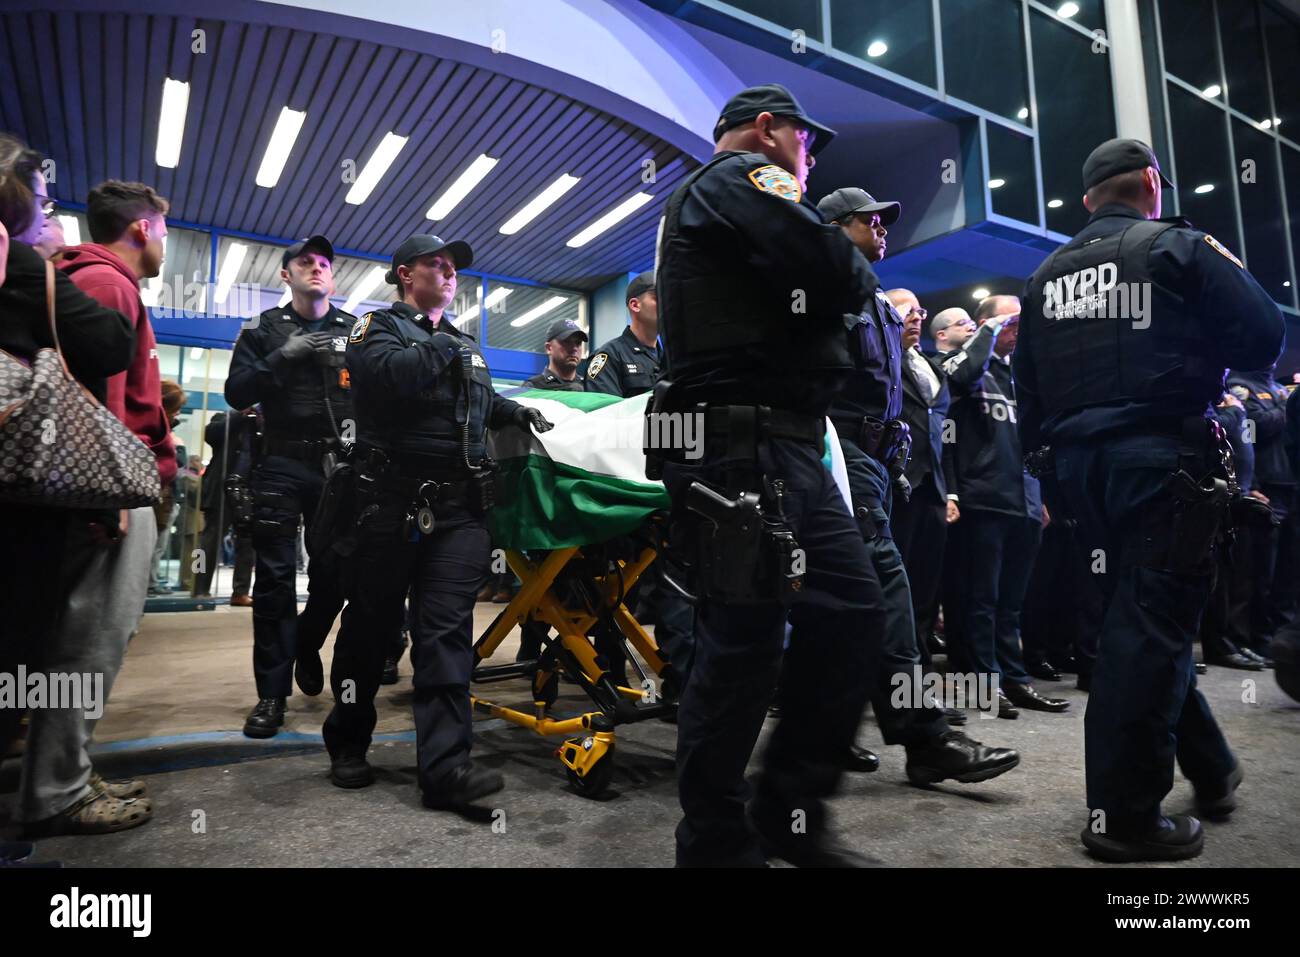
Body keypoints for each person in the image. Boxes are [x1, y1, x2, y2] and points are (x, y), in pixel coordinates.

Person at [1014, 137, 1285, 861]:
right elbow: (1264, 333)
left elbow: (1028, 391)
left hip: (1078, 476)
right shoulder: (1178, 246)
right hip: (1163, 463)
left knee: (1136, 621)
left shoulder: (1045, 274)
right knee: (1152, 629)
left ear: (1087, 201)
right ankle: (1125, 818)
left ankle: (1212, 765)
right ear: (1152, 184)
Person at [654, 83, 891, 867]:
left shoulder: (727, 199)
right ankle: (716, 845)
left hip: (779, 444)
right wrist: (845, 274)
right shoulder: (737, 180)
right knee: (744, 643)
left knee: (854, 612)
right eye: (806, 142)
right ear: (767, 130)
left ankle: (788, 809)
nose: (810, 158)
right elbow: (836, 268)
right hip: (742, 447)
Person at [321, 234, 552, 807]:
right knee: (371, 629)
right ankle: (348, 742)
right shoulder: (375, 329)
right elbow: (392, 378)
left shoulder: (464, 344)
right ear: (405, 274)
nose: (449, 275)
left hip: (459, 509)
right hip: (388, 503)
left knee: (446, 633)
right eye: (437, 265)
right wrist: (442, 339)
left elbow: (478, 403)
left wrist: (514, 409)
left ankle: (446, 771)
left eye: (453, 269)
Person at [817, 186, 1018, 782]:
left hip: (877, 464)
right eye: (870, 219)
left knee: (861, 605)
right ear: (837, 226)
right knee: (886, 598)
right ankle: (922, 738)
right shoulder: (822, 290)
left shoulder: (869, 296)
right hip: (838, 457)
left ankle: (840, 732)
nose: (883, 227)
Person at [17, 179, 175, 836]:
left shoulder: (92, 279)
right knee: (86, 645)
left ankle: (68, 769)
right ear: (140, 229)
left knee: (84, 640)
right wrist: (109, 498)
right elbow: (99, 409)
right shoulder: (110, 284)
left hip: (105, 491)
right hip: (110, 491)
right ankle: (58, 790)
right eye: (162, 229)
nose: (162, 240)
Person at [0, 134, 135, 756]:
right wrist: (43, 264)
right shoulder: (26, 268)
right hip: (21, 495)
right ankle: (53, 786)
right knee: (30, 641)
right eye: (45, 205)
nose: (51, 218)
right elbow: (109, 345)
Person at [225, 235, 354, 737]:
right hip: (279, 461)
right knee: (275, 582)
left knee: (336, 577)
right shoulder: (263, 329)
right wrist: (284, 357)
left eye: (324, 263)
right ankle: (270, 697)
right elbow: (236, 391)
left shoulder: (353, 330)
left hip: (336, 467)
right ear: (286, 275)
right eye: (305, 262)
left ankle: (306, 642)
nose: (316, 269)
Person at [938, 298, 1068, 717]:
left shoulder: (1018, 377)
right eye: (1009, 319)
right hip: (983, 498)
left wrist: (1040, 495)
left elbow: (1033, 442)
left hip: (1023, 499)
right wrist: (989, 332)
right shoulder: (968, 366)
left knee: (1012, 601)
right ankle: (983, 684)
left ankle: (1016, 680)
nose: (1018, 327)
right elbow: (957, 380)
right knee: (982, 599)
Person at [888, 288, 956, 665]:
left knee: (926, 588)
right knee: (894, 583)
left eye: (920, 311)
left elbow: (944, 434)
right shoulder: (880, 361)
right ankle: (890, 674)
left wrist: (950, 492)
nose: (917, 317)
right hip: (898, 485)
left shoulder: (931, 366)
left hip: (933, 489)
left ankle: (919, 674)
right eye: (906, 310)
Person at [193, 409, 258, 604]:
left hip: (248, 490)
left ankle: (240, 592)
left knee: (247, 543)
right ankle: (199, 587)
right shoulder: (226, 417)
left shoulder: (259, 423)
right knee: (209, 541)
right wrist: (240, 416)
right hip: (221, 489)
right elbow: (211, 433)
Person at [585, 270, 661, 396]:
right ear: (635, 305)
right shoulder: (610, 356)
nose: (667, 304)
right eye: (658, 298)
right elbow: (604, 411)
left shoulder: (670, 359)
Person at [524, 318, 587, 391]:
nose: (574, 348)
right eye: (567, 342)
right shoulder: (532, 387)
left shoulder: (588, 387)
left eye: (578, 343)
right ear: (549, 348)